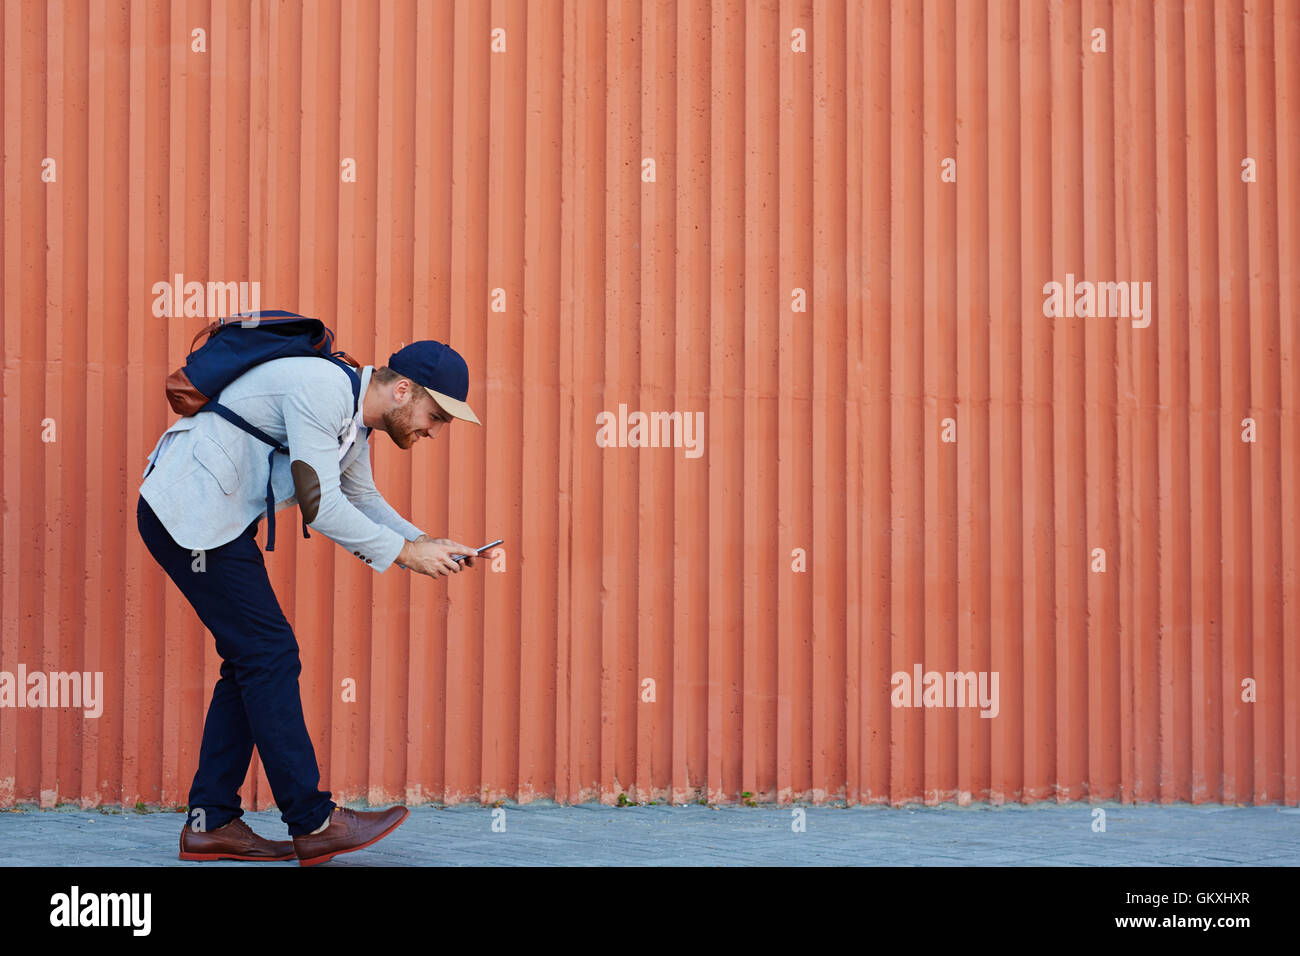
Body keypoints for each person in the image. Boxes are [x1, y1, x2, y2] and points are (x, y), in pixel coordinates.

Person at [135, 339, 481, 866]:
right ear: (403, 390)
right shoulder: (322, 390)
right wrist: (407, 555)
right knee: (270, 655)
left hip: (216, 523)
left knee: (254, 660)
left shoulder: (353, 416)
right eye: (435, 415)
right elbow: (320, 504)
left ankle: (212, 822)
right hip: (189, 516)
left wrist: (427, 541)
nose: (435, 430)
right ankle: (313, 822)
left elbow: (360, 497)